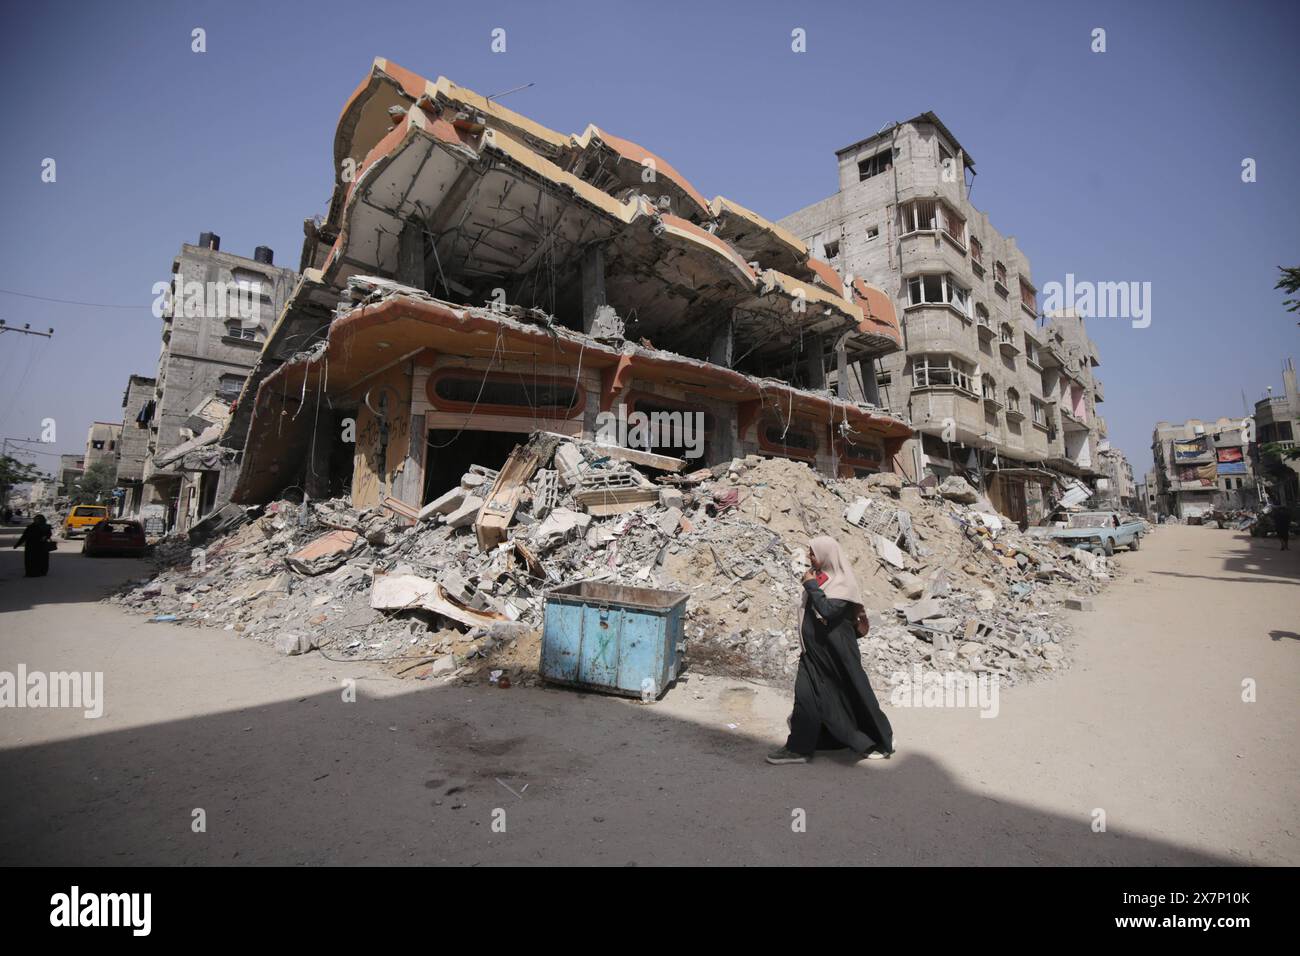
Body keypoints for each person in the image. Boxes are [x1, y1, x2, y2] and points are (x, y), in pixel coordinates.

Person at [767, 535, 894, 766]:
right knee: (805, 698)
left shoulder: (842, 583)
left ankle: (875, 741)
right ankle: (798, 749)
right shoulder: (820, 578)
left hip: (837, 655)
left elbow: (828, 610)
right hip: (813, 654)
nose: (809, 557)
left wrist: (811, 586)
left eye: (813, 553)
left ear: (827, 555)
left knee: (852, 695)